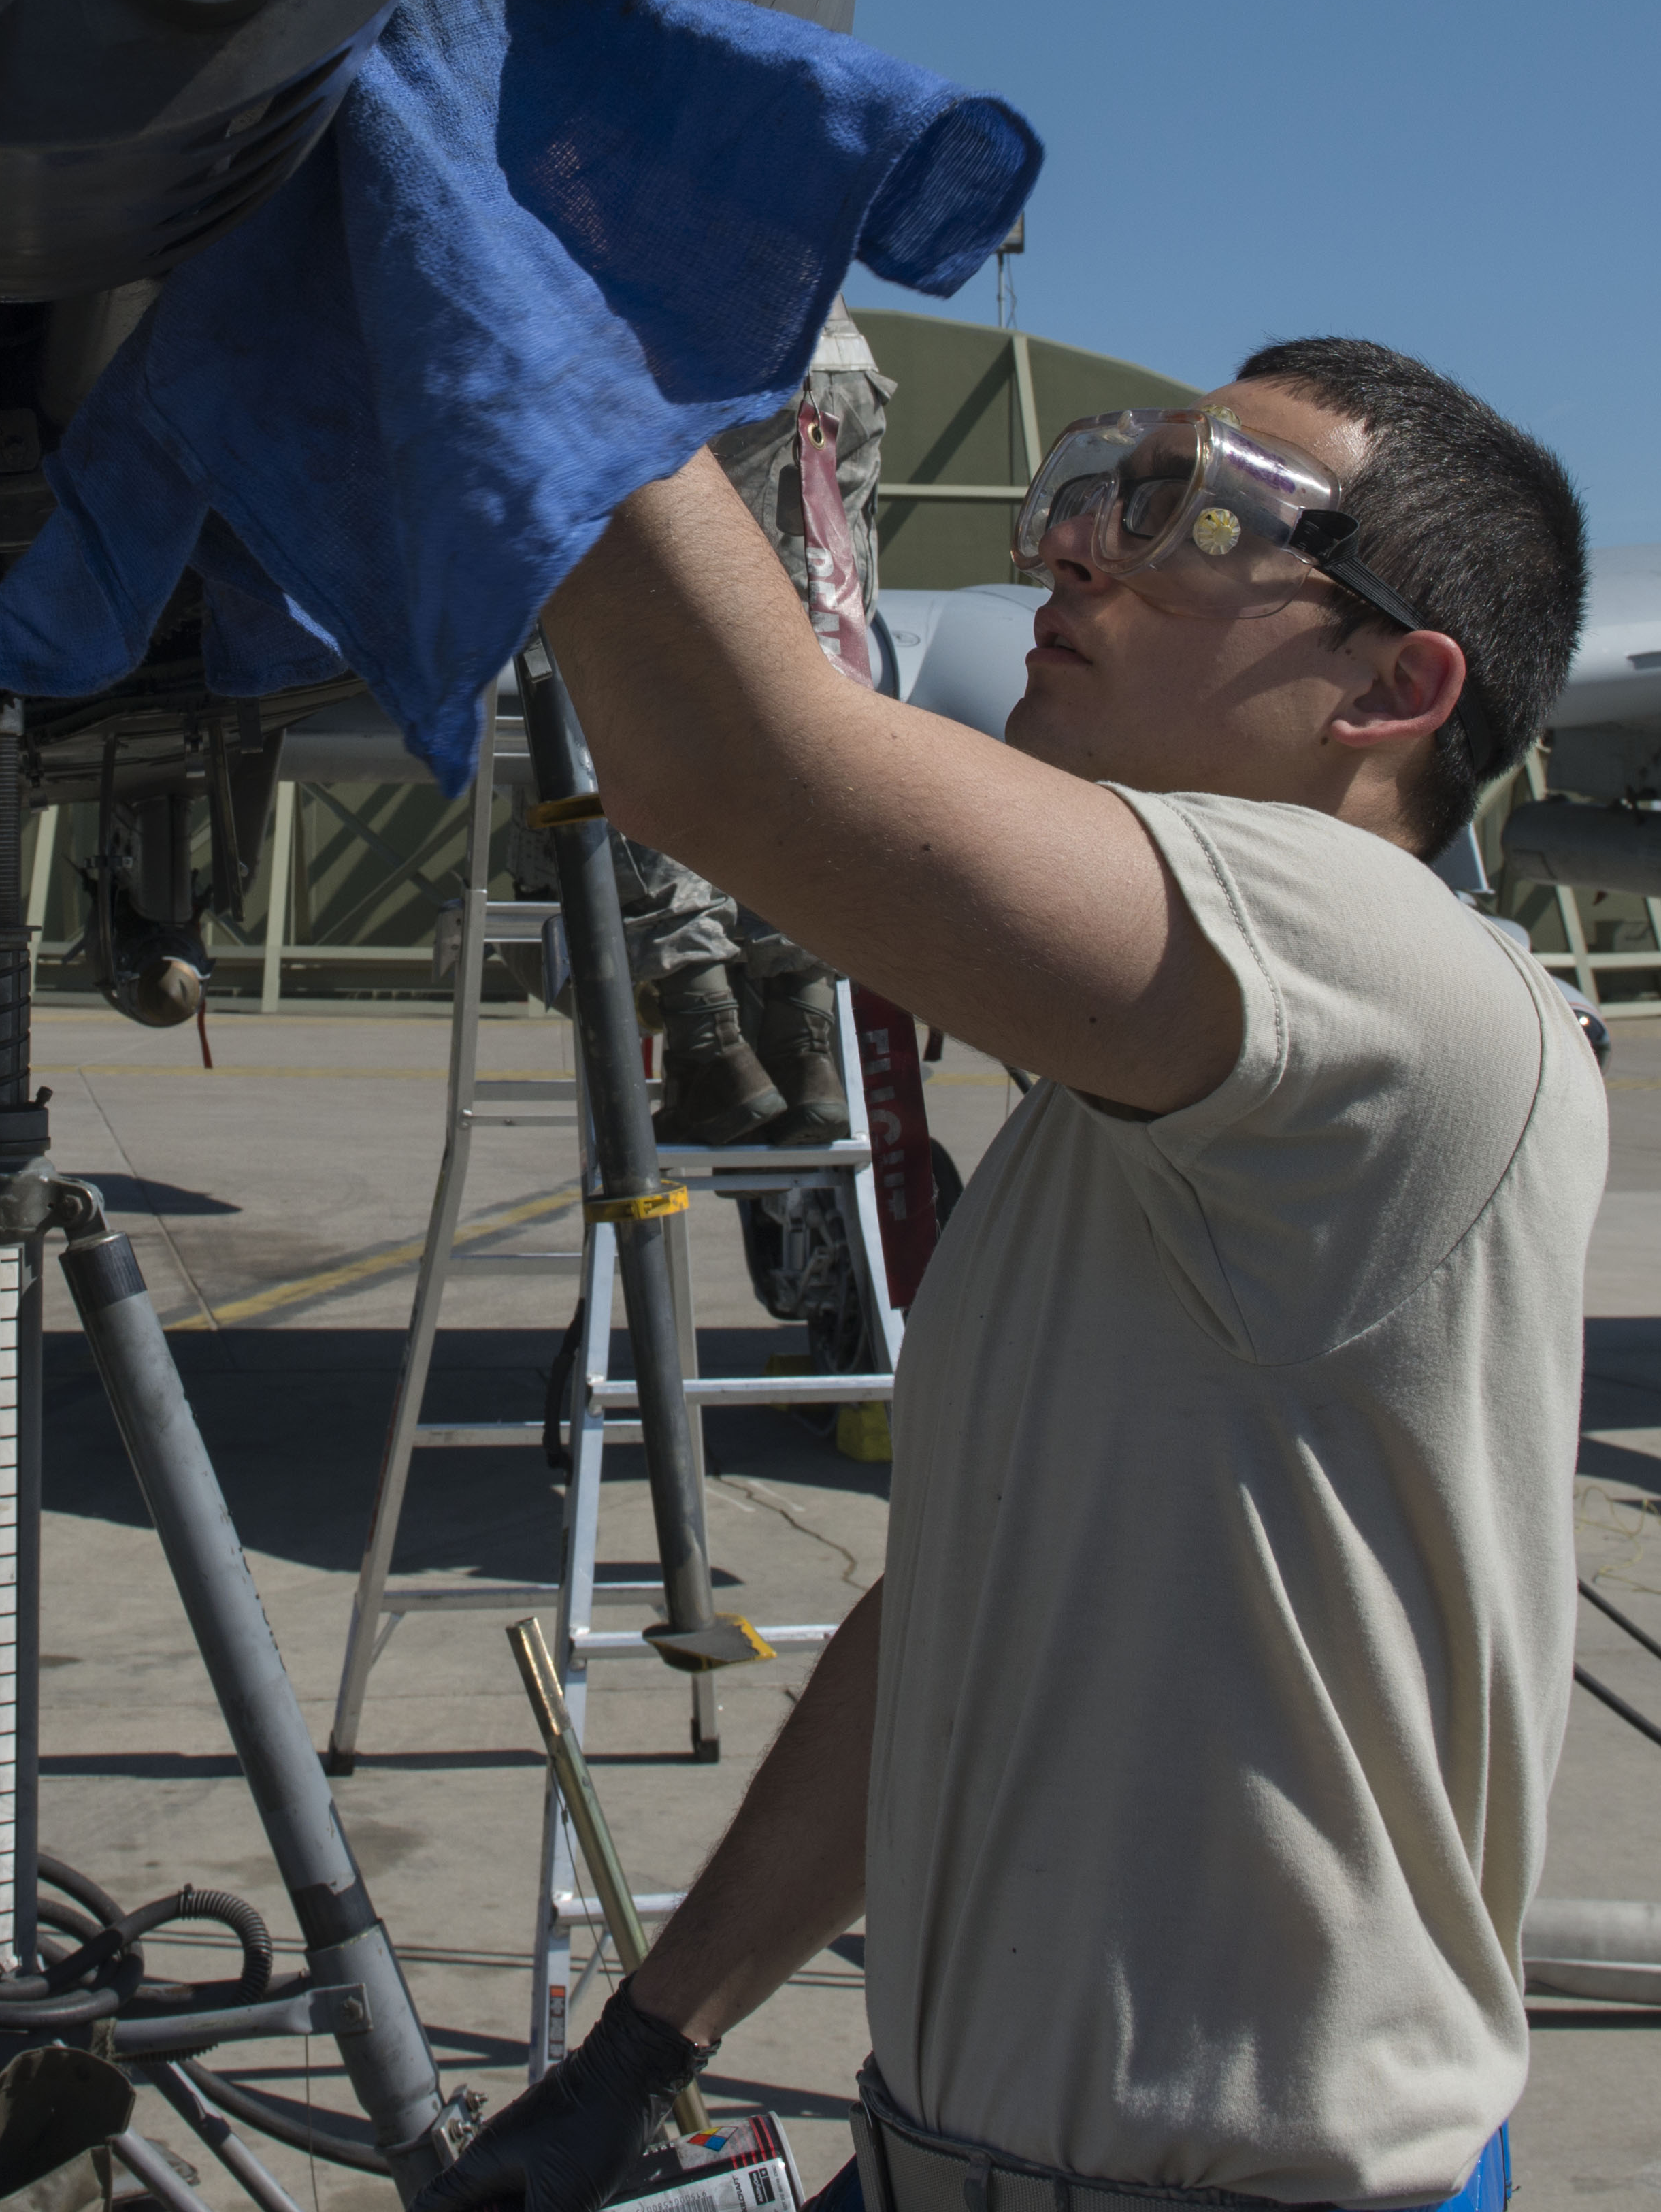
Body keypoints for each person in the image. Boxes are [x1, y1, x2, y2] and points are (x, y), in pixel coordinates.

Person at [418, 338, 1601, 2212]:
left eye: (1191, 509)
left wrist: (544, 313)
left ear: (1395, 686)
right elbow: (959, 1617)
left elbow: (731, 761)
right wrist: (651, 2039)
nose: (1074, 543)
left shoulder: (1388, 965)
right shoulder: (1146, 1120)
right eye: (1103, 483)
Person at [508, 297, 895, 1151]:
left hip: (660, 341)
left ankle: (706, 1033)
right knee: (803, 691)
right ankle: (801, 1036)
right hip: (828, 358)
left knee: (635, 678)